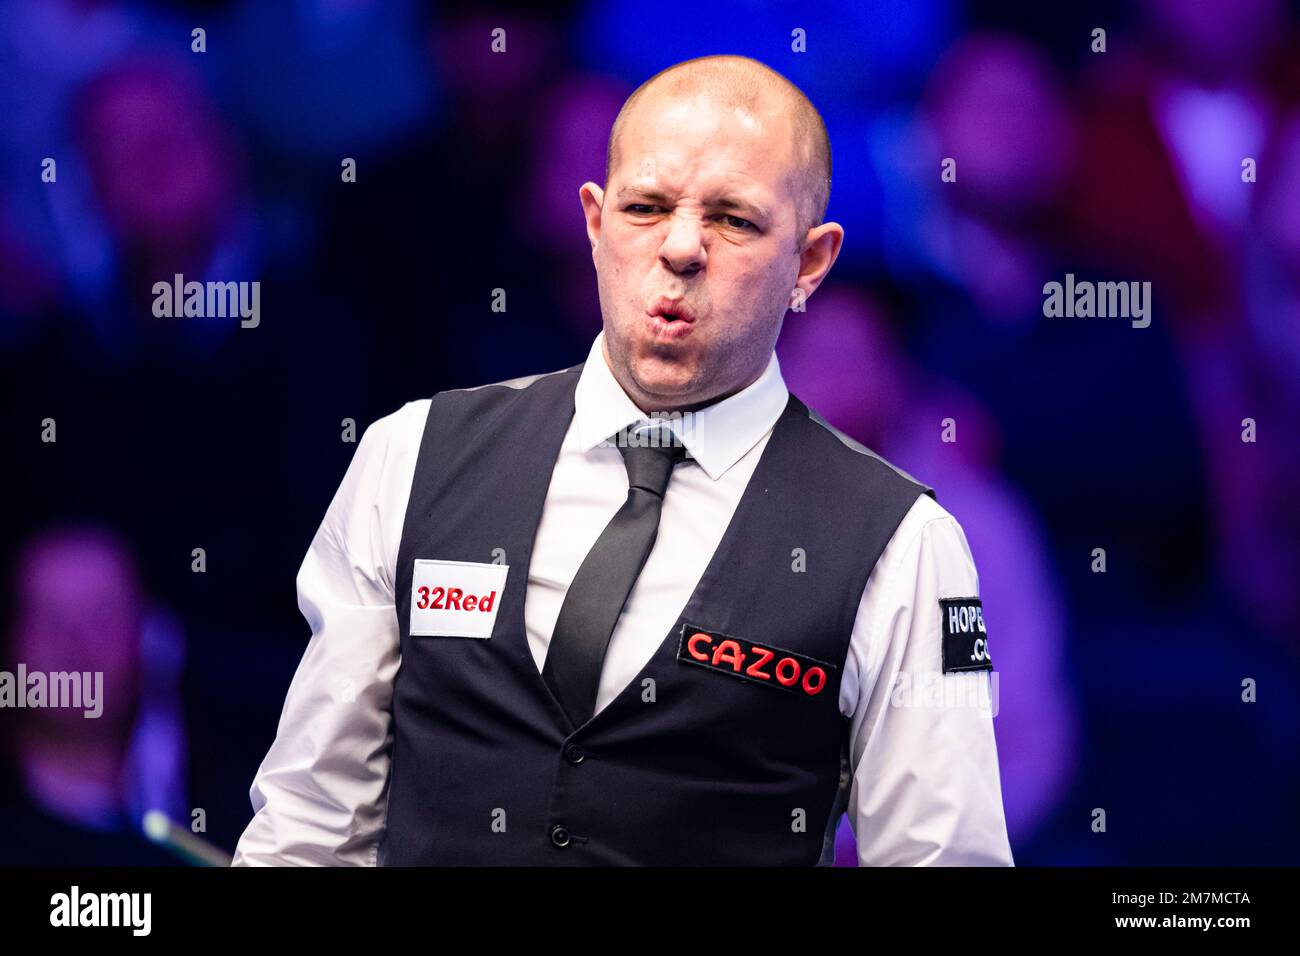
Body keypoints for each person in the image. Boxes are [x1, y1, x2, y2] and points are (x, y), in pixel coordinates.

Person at [232, 54, 1014, 866]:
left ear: (809, 264)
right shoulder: (413, 455)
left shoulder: (900, 542)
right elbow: (311, 826)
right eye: (645, 207)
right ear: (596, 223)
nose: (680, 248)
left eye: (735, 220)